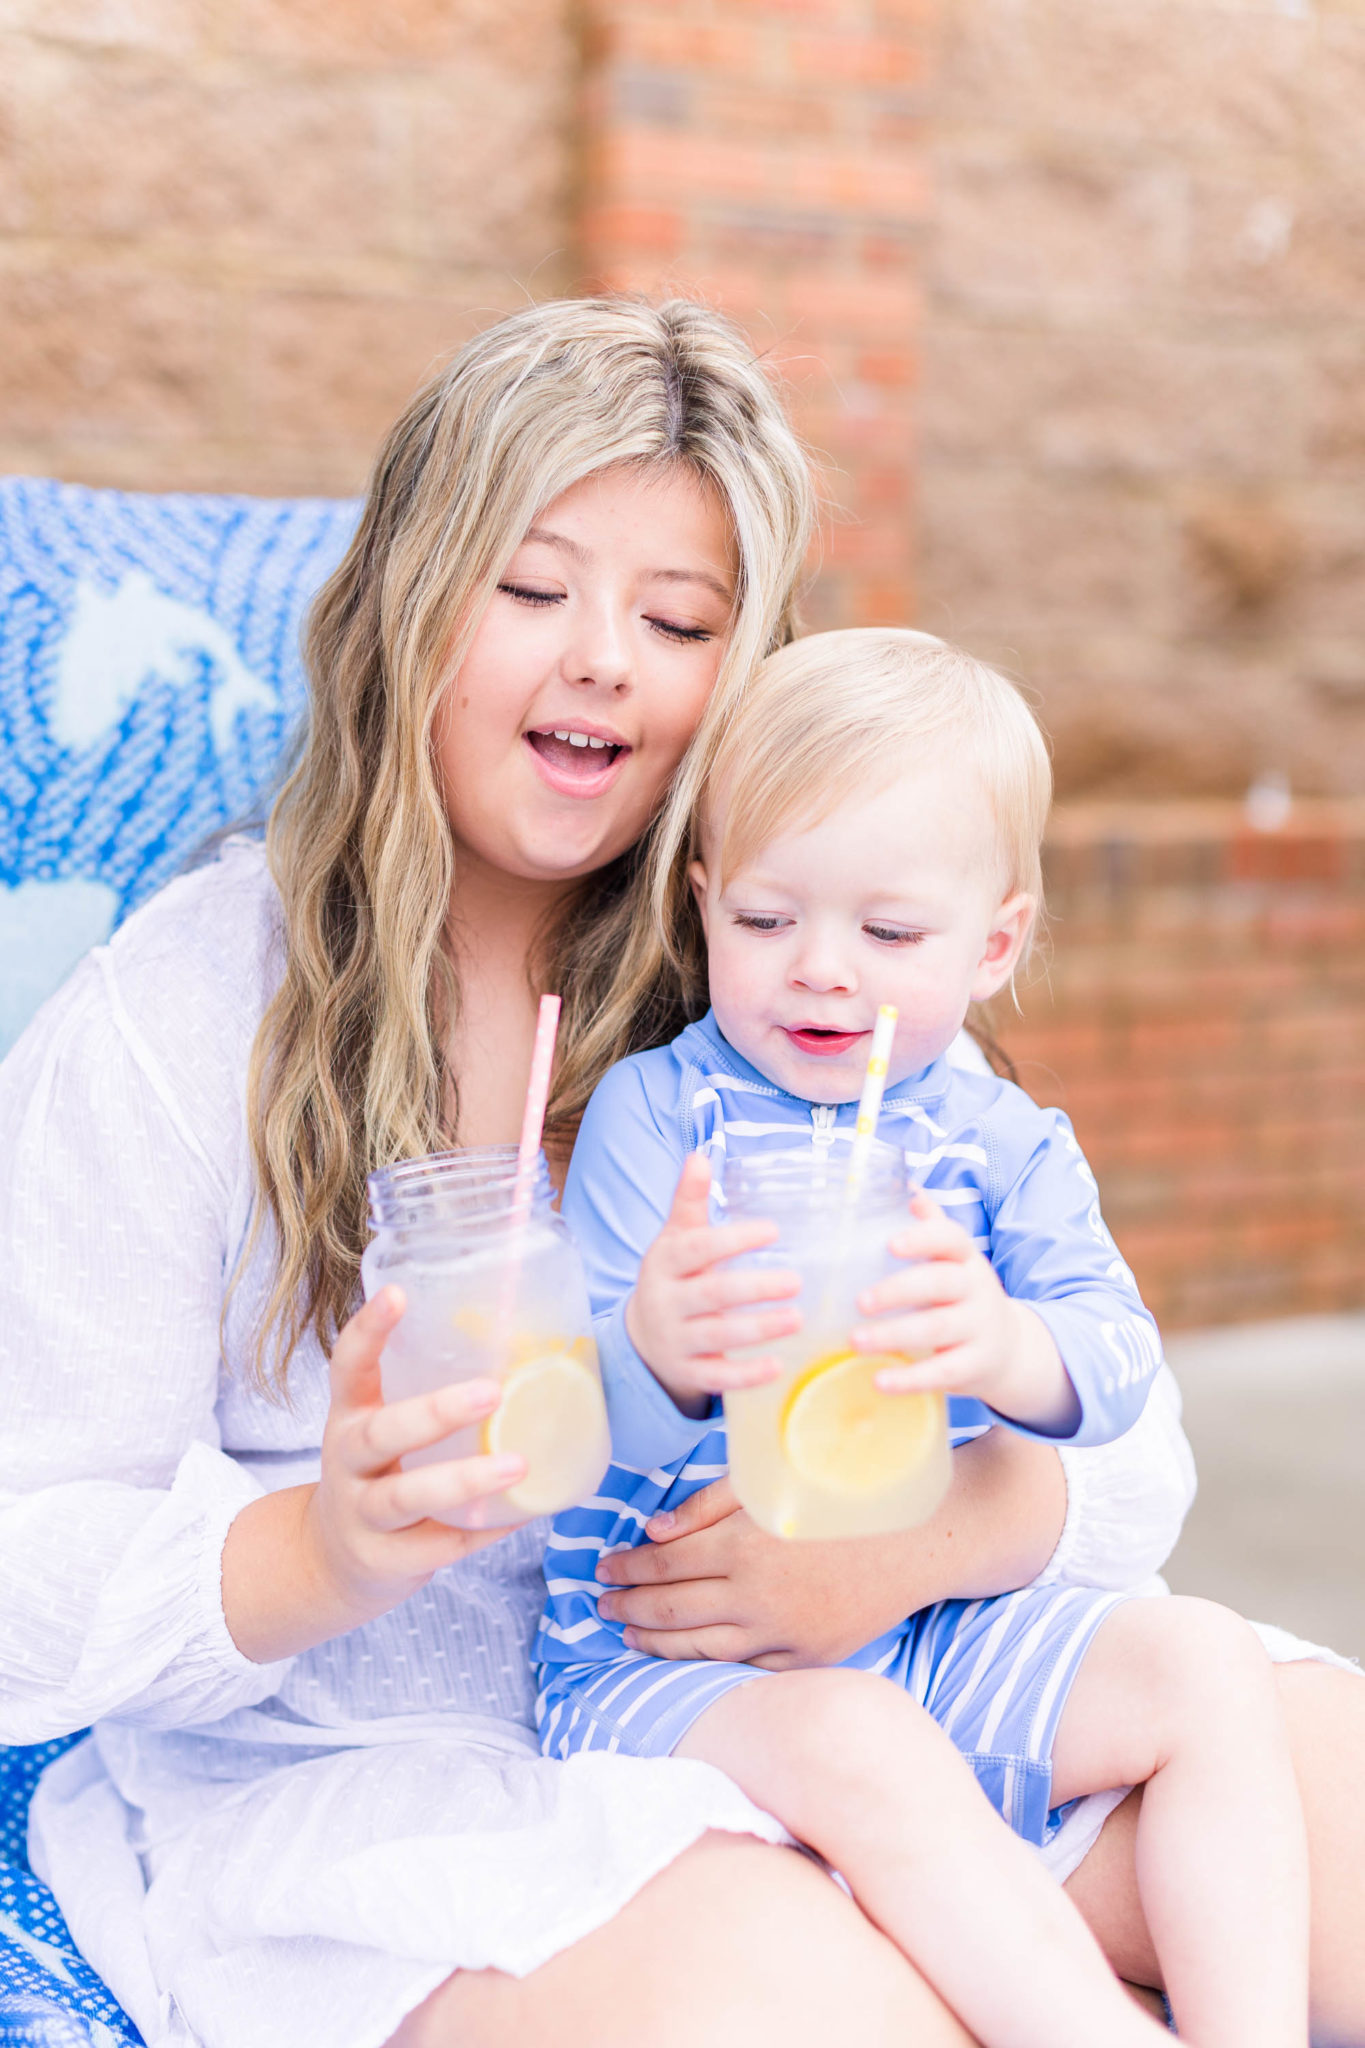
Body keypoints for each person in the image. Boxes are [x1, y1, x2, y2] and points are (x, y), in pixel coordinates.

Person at [0, 296, 1359, 2048]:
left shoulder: (789, 970)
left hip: (870, 1679)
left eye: (678, 617)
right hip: (406, 1778)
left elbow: (1121, 1452)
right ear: (411, 604)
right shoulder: (188, 1012)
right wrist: (323, 1549)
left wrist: (902, 1551)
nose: (603, 662)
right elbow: (24, 1558)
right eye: (532, 587)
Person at [538, 627, 1309, 2048]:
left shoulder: (996, 1143)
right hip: (664, 1659)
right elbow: (568, 1431)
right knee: (861, 1744)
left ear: (993, 941)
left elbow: (1115, 1357)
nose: (821, 973)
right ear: (700, 902)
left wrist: (1006, 1347)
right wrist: (654, 1346)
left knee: (1202, 1664)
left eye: (888, 935)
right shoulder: (663, 1120)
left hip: (926, 1629)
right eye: (766, 920)